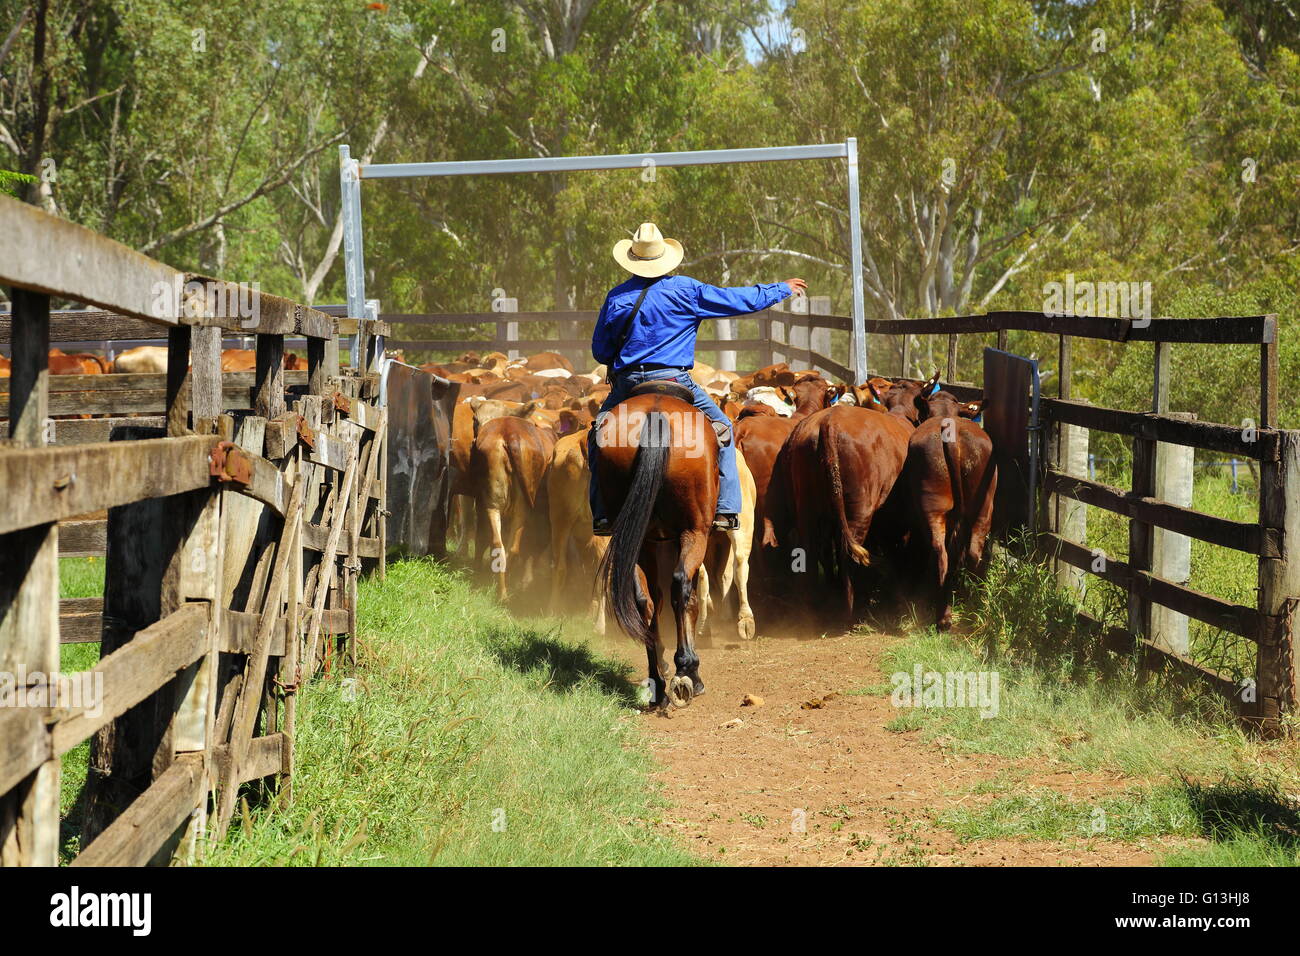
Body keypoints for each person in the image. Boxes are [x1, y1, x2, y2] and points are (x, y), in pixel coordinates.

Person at [588, 221, 806, 536]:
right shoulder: (686, 290)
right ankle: (727, 509)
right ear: (664, 257)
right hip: (675, 381)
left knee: (598, 436)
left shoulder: (617, 297)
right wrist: (780, 289)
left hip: (628, 384)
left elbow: (600, 350)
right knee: (723, 430)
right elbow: (737, 301)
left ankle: (602, 515)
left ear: (633, 259)